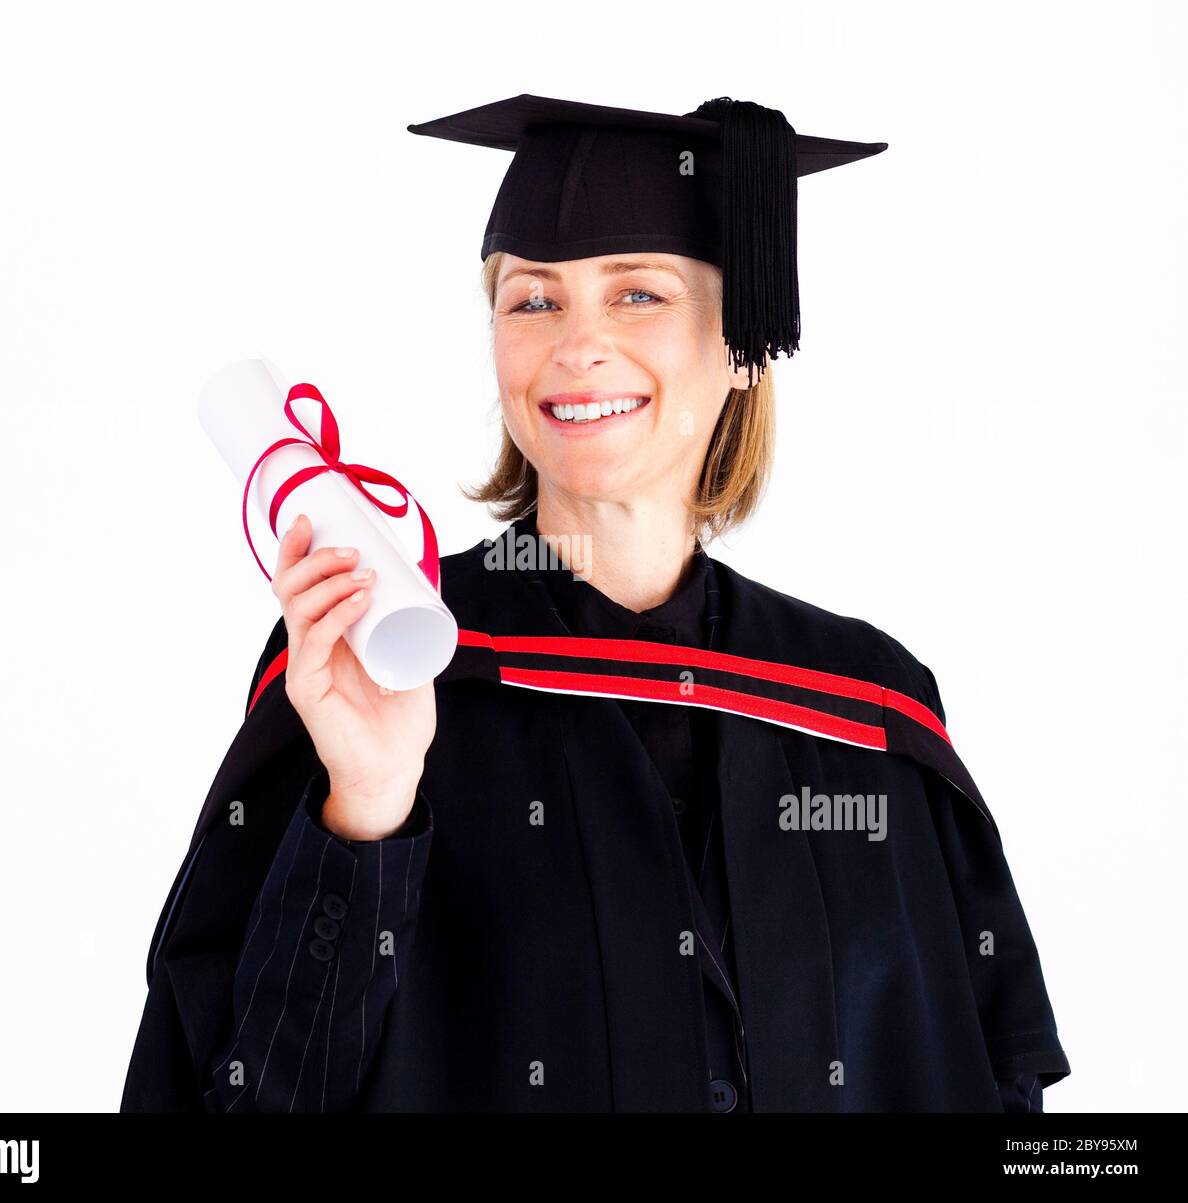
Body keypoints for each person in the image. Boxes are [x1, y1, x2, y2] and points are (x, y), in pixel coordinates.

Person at [121, 94, 1070, 1113]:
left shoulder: (867, 707)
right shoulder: (382, 661)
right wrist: (367, 812)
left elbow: (983, 1085)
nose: (577, 345)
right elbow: (246, 1093)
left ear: (744, 344)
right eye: (533, 301)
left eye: (638, 296)